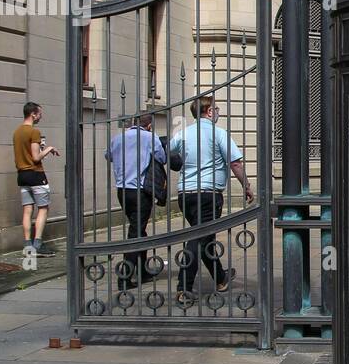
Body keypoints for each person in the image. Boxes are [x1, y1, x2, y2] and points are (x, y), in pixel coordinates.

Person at [169, 96, 254, 307]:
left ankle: (221, 278)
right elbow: (235, 163)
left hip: (185, 195)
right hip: (207, 195)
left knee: (203, 237)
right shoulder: (219, 133)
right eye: (215, 109)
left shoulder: (184, 134)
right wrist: (247, 186)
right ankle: (184, 288)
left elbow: (167, 153)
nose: (218, 112)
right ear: (208, 112)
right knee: (198, 239)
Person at [105, 113, 167, 289]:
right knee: (135, 232)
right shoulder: (150, 137)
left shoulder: (118, 138)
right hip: (140, 191)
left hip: (122, 190)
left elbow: (108, 156)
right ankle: (124, 276)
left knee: (139, 229)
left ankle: (143, 270)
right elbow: (161, 157)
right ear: (149, 125)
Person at [13, 102, 61, 257]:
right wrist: (48, 149)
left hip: (22, 175)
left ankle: (27, 246)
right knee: (43, 208)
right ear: (33, 114)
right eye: (39, 113)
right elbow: (36, 157)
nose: (41, 116)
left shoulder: (17, 132)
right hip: (36, 174)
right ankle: (37, 244)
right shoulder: (34, 132)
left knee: (27, 210)